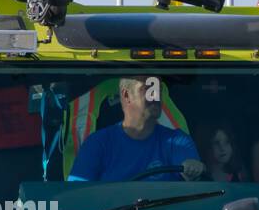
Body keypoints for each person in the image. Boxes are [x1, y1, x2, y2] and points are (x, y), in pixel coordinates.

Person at [68, 77, 204, 182]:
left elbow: (191, 168)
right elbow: (77, 195)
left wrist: (194, 168)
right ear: (126, 95)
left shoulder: (178, 141)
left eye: (158, 90)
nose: (155, 96)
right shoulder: (97, 143)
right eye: (147, 89)